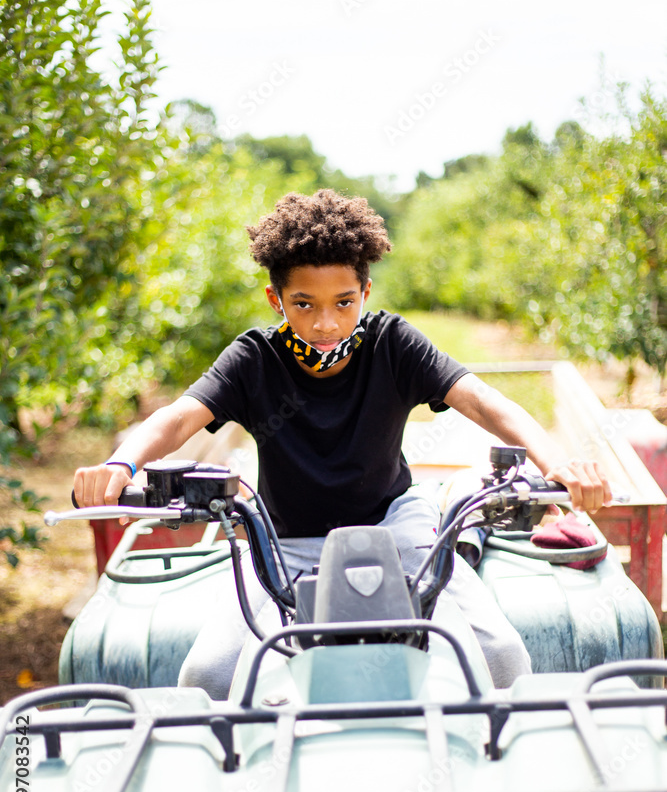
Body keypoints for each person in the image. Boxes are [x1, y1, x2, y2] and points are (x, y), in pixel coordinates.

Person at [74, 189, 612, 697]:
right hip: (284, 541)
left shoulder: (393, 344)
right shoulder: (253, 360)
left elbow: (484, 401)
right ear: (276, 298)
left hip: (394, 526)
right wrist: (121, 463)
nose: (325, 323)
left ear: (366, 294)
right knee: (208, 676)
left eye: (344, 302)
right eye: (303, 304)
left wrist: (559, 463)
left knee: (501, 657)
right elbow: (175, 419)